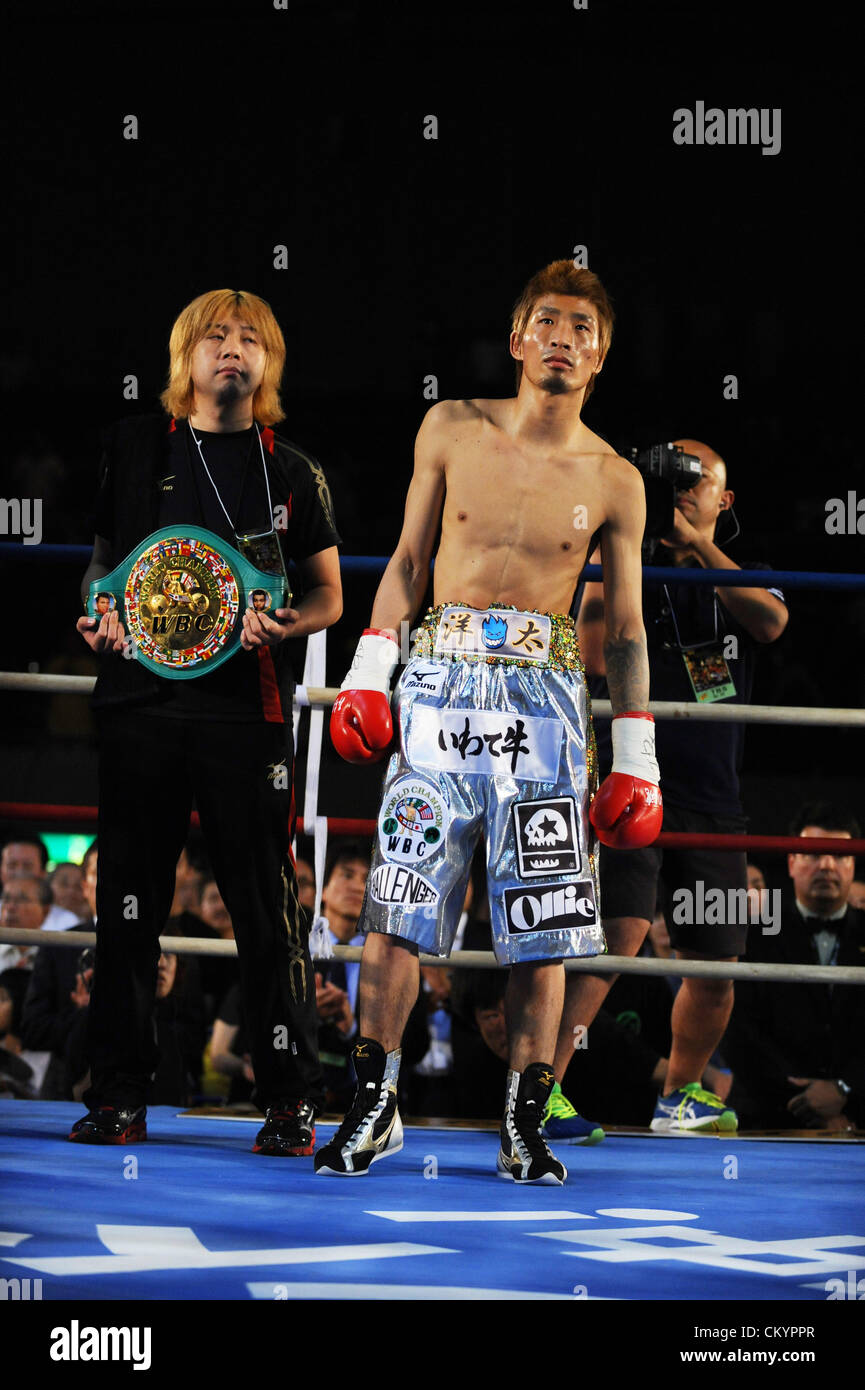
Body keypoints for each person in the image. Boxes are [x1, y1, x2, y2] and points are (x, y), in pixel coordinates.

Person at [316, 259, 663, 1183]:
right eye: (547, 320)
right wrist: (368, 666)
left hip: (545, 704)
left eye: (582, 328)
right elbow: (404, 562)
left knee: (544, 922)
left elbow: (624, 628)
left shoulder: (618, 480)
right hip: (436, 683)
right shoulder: (450, 427)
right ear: (516, 338)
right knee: (395, 904)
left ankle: (523, 1122)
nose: (563, 337)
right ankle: (372, 1105)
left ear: (600, 357)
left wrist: (636, 751)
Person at [69, 287, 342, 1153]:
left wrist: (287, 622)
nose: (234, 348)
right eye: (216, 335)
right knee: (127, 907)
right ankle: (117, 1095)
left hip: (245, 713)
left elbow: (330, 594)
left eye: (251, 338)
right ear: (184, 357)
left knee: (264, 912)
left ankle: (290, 1098)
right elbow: (103, 570)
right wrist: (98, 614)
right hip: (140, 706)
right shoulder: (133, 446)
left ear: (269, 365)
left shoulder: (290, 470)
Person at [566, 438, 787, 1134]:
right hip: (630, 776)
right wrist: (618, 542)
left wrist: (697, 547)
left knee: (717, 958)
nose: (682, 490)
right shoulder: (621, 566)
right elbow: (593, 653)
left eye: (697, 481)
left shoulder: (745, 572)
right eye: (673, 478)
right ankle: (541, 1086)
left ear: (723, 499)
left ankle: (680, 1094)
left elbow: (771, 620)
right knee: (617, 935)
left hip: (713, 796)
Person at [723, 802, 865, 1131]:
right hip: (767, 1115)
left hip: (856, 1117)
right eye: (813, 853)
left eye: (840, 855)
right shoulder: (752, 934)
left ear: (853, 865)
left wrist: (846, 1090)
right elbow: (737, 1030)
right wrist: (809, 1104)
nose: (827, 866)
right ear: (791, 862)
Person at [0, 835, 80, 933]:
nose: (19, 872)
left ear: (43, 871)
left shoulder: (67, 923)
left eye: (27, 866)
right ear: (1, 870)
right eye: (11, 865)